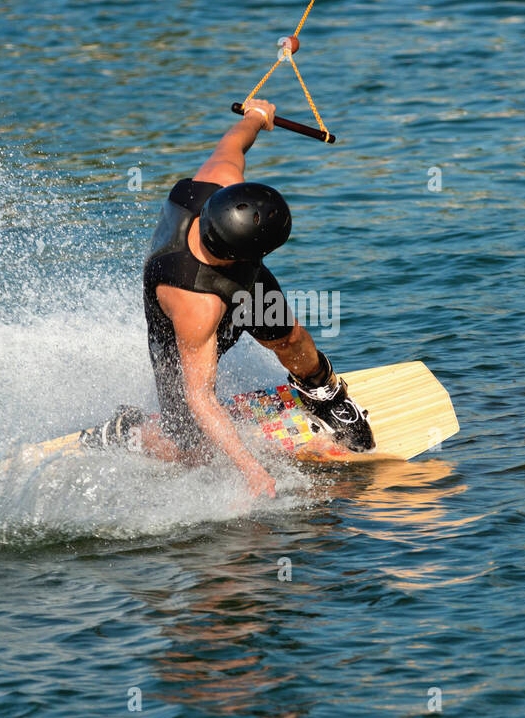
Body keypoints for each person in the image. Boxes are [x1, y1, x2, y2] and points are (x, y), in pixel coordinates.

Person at [81, 99, 372, 497]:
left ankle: (324, 393)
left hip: (238, 277)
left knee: (288, 337)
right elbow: (199, 396)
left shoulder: (214, 185)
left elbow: (232, 144)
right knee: (189, 447)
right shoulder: (193, 304)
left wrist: (256, 116)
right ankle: (129, 429)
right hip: (189, 305)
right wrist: (251, 469)